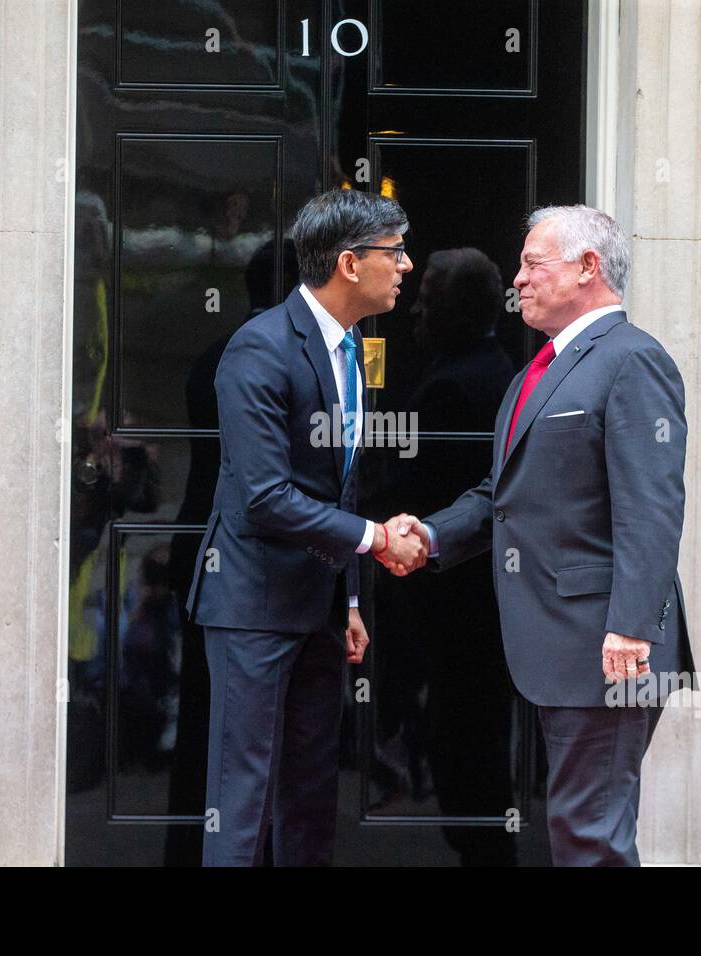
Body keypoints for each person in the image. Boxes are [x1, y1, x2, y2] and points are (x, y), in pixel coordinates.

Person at [383, 204, 697, 866]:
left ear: (589, 268)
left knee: (591, 837)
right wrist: (431, 536)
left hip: (607, 647)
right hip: (557, 642)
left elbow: (652, 505)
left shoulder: (632, 360)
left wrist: (633, 629)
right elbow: (503, 497)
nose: (517, 281)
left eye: (532, 264)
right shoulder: (541, 369)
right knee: (580, 830)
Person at [184, 188, 424, 866]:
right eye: (394, 252)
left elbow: (333, 485)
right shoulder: (259, 349)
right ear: (349, 264)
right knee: (242, 805)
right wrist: (376, 540)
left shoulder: (352, 351)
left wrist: (347, 598)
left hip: (318, 612)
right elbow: (265, 498)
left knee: (311, 800)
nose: (406, 265)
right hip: (252, 609)